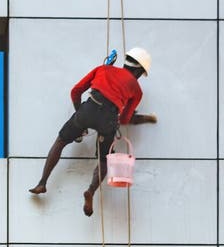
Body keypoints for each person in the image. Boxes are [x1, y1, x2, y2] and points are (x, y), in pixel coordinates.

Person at [29, 47, 157, 216]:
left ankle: (42, 183)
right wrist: (142, 118)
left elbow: (76, 91)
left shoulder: (102, 69)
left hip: (88, 109)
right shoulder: (137, 90)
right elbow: (125, 119)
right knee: (104, 160)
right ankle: (90, 191)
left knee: (60, 142)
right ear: (139, 70)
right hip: (109, 120)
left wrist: (79, 115)